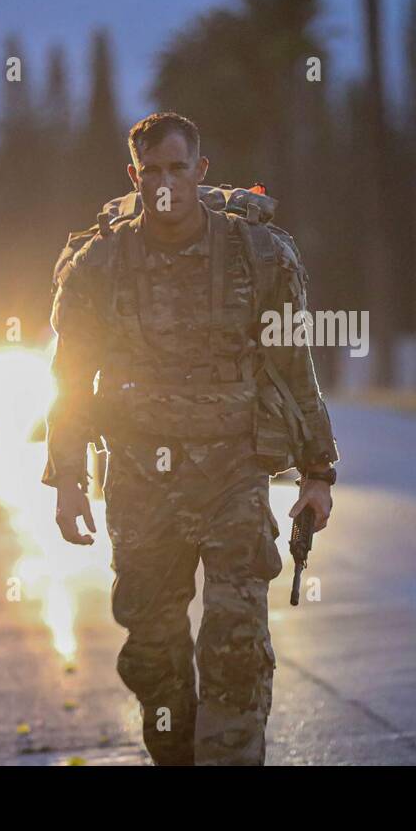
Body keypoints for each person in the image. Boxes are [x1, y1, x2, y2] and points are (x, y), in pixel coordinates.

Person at [41, 111, 338, 765]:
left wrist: (318, 472)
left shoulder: (258, 255)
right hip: (139, 483)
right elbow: (69, 378)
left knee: (234, 647)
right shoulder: (99, 264)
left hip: (234, 474)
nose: (166, 183)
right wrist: (66, 479)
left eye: (179, 168)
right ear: (134, 176)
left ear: (200, 172)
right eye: (152, 171)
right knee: (154, 659)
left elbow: (293, 365)